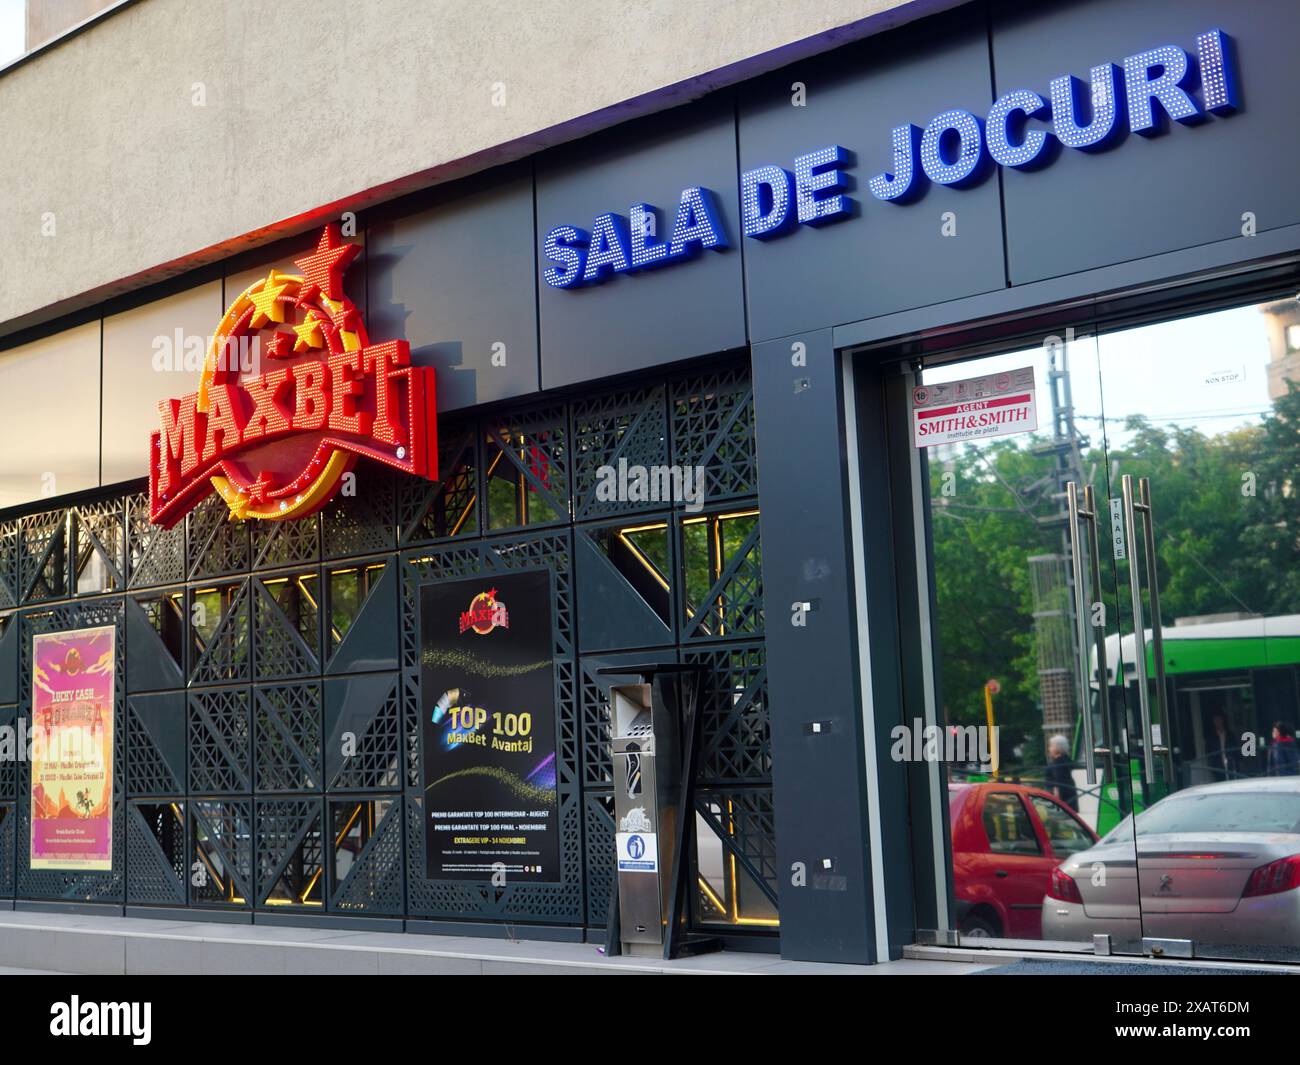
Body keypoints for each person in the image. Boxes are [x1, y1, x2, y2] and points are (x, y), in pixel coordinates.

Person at [1044, 734, 1078, 811]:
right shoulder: (1069, 761)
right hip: (1073, 798)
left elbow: (1058, 782)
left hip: (1061, 801)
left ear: (1057, 748)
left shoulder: (1057, 764)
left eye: (1051, 746)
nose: (1049, 749)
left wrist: (1057, 802)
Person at [1204, 712, 1236, 780]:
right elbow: (1208, 751)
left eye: (1219, 719)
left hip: (1230, 763)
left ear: (1222, 720)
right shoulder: (1211, 737)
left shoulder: (1230, 735)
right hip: (1217, 765)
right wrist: (1211, 763)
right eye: (1215, 720)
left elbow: (1234, 748)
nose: (1217, 722)